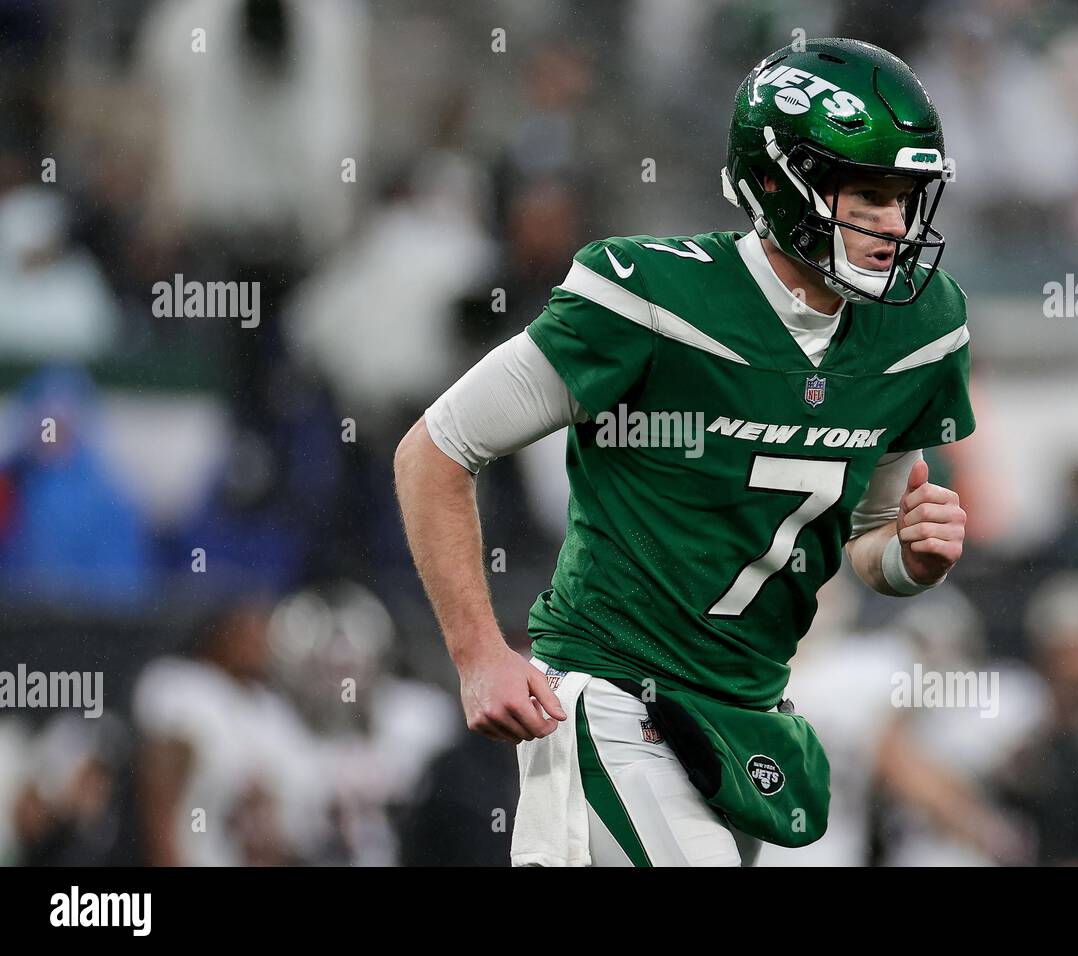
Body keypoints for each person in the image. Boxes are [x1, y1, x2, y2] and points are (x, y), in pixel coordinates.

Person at [395, 38, 975, 867]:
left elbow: (870, 538)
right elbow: (435, 450)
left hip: (747, 723)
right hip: (613, 699)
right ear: (778, 182)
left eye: (906, 196)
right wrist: (480, 655)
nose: (893, 223)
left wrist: (912, 560)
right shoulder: (650, 296)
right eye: (868, 194)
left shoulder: (922, 330)